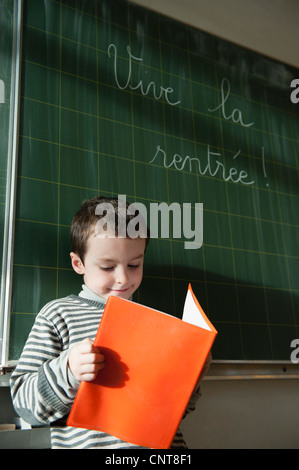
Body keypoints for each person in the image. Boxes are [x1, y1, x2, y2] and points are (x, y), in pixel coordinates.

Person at [10, 195, 211, 449]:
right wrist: (69, 371)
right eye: (107, 267)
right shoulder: (58, 314)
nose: (123, 278)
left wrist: (191, 378)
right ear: (78, 263)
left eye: (134, 264)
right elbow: (25, 406)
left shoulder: (158, 326)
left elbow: (170, 416)